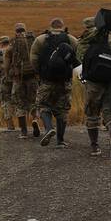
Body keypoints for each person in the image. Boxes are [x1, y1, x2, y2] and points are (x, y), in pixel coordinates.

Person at [77, 16, 111, 158]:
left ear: (87, 26)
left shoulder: (85, 41)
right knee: (110, 111)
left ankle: (95, 147)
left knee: (92, 113)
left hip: (93, 82)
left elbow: (80, 58)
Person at [30, 17, 78, 148]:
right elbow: (76, 59)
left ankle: (49, 128)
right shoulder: (71, 39)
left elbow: (33, 59)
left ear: (50, 26)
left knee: (43, 105)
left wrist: (40, 72)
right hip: (65, 81)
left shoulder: (40, 40)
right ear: (62, 26)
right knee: (62, 110)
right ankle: (60, 141)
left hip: (46, 80)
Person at [3, 22, 41, 139]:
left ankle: (24, 131)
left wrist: (8, 76)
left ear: (16, 31)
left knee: (19, 104)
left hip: (18, 79)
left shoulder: (12, 45)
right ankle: (34, 119)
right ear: (25, 29)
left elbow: (6, 64)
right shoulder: (34, 42)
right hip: (33, 77)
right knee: (33, 101)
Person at [0, 35, 14, 130]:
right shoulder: (13, 50)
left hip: (3, 80)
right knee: (19, 101)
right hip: (15, 79)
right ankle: (23, 126)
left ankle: (10, 125)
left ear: (1, 44)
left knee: (5, 101)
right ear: (9, 42)